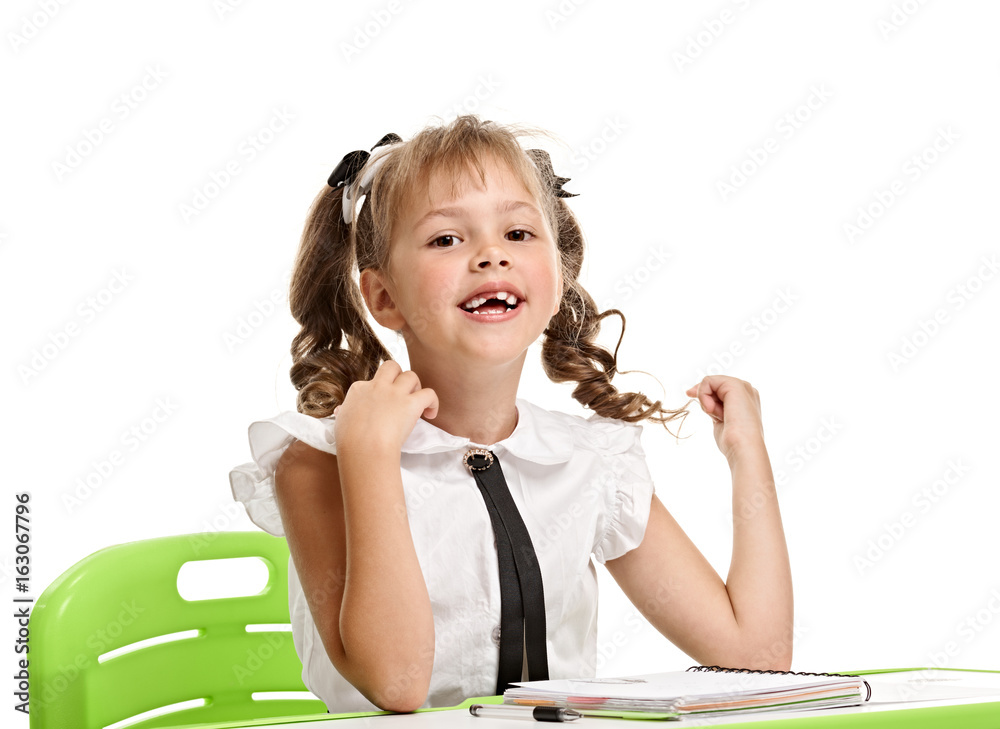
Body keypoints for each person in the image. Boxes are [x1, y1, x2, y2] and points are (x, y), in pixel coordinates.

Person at [228, 114, 792, 714]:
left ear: (558, 279)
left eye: (519, 234)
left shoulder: (592, 464)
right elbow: (396, 683)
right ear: (384, 297)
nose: (491, 254)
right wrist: (369, 457)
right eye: (447, 239)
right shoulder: (317, 459)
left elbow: (754, 658)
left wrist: (747, 455)